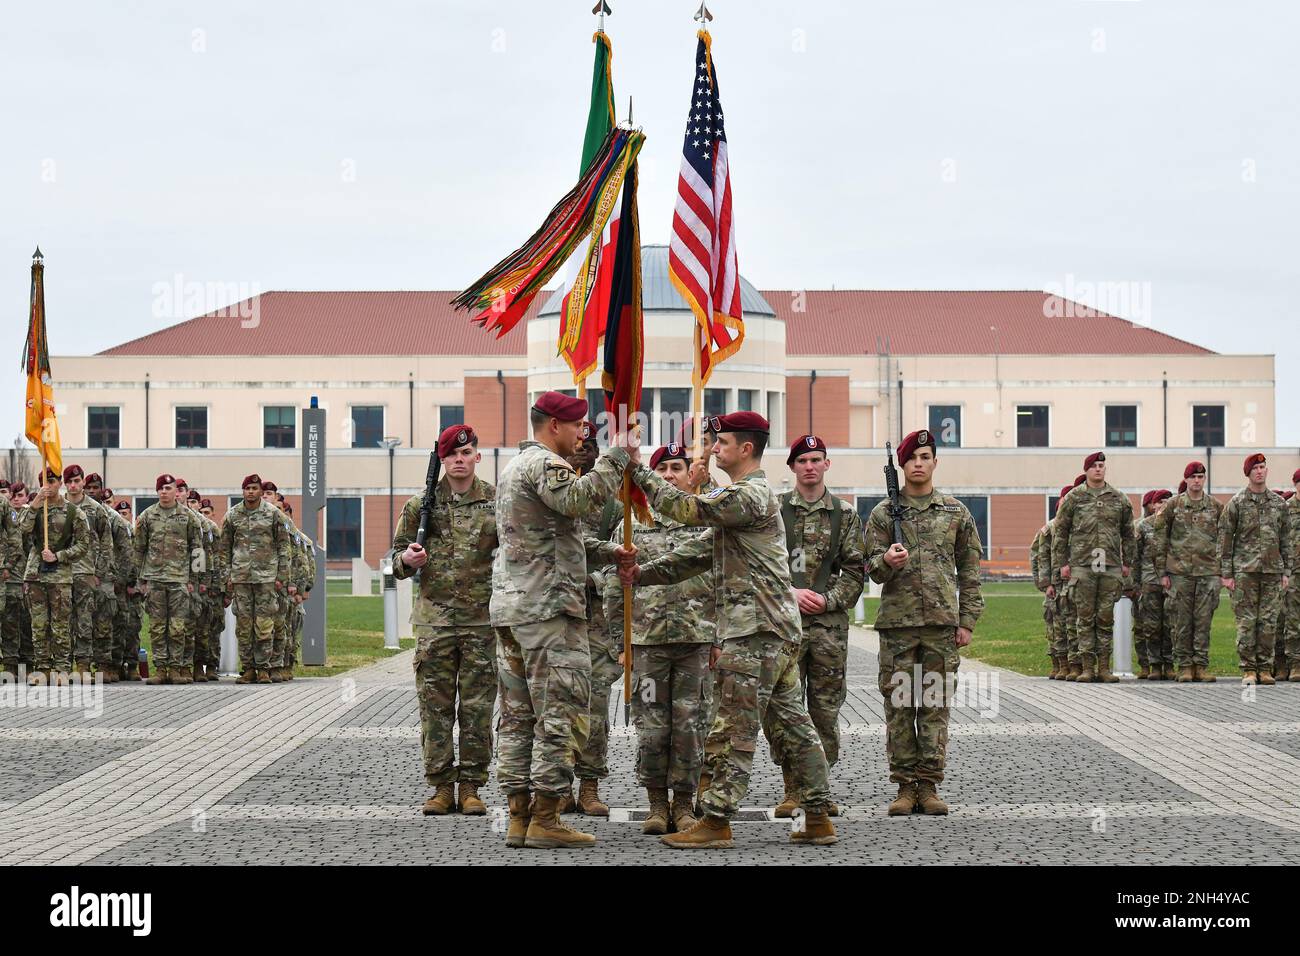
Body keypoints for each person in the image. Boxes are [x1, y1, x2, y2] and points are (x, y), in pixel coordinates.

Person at [616, 411, 838, 849]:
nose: (714, 450)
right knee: (793, 724)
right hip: (769, 630)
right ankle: (817, 816)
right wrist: (640, 574)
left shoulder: (750, 495)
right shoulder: (737, 500)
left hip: (755, 631)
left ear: (746, 449)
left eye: (722, 443)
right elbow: (697, 555)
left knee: (733, 728)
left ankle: (716, 819)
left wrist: (634, 467)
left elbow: (685, 507)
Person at [491, 391, 636, 849]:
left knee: (517, 716)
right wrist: (616, 458)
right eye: (577, 427)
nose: (582, 435)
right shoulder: (546, 465)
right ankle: (547, 817)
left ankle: (518, 816)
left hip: (517, 610)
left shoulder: (515, 467)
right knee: (560, 714)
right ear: (555, 425)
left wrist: (612, 551)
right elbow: (577, 502)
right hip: (549, 611)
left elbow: (557, 534)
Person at [864, 429, 984, 815]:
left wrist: (966, 621)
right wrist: (886, 561)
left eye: (926, 456)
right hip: (898, 627)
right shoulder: (884, 514)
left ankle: (929, 785)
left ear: (935, 462)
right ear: (902, 464)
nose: (919, 463)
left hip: (940, 625)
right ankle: (904, 786)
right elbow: (868, 569)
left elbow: (970, 571)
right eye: (912, 457)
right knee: (900, 705)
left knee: (934, 704)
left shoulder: (955, 513)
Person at [602, 442, 715, 834]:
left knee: (690, 726)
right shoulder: (633, 522)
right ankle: (655, 805)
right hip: (647, 645)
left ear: (689, 474)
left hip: (695, 643)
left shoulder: (706, 521)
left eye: (676, 468)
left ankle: (684, 805)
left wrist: (719, 639)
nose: (669, 475)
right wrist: (621, 643)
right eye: (661, 468)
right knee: (652, 729)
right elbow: (615, 586)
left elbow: (724, 582)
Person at [393, 424, 499, 817]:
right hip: (434, 624)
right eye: (451, 454)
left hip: (481, 623)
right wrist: (407, 560)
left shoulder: (497, 501)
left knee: (476, 709)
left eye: (465, 452)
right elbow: (395, 560)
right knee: (434, 709)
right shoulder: (421, 504)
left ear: (477, 456)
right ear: (442, 459)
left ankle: (471, 785)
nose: (459, 459)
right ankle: (440, 787)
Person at [769, 434, 864, 817]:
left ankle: (818, 790)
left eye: (816, 459)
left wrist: (829, 599)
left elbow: (856, 570)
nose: (810, 466)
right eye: (802, 460)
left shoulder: (845, 514)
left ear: (827, 465)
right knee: (785, 709)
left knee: (824, 709)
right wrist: (790, 591)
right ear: (792, 467)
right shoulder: (775, 511)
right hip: (785, 626)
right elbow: (762, 564)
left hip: (828, 629)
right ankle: (792, 787)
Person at [561, 421, 625, 817]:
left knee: (595, 707)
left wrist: (593, 577)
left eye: (589, 446)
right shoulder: (553, 498)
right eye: (576, 445)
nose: (581, 452)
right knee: (557, 707)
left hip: (597, 623)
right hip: (559, 618)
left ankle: (589, 785)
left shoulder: (615, 509)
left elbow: (622, 560)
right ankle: (557, 785)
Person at [1051, 452, 1134, 683]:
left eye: (1102, 466)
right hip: (1082, 566)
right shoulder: (1074, 498)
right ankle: (1087, 667)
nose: (1099, 469)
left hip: (1109, 567)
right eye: (1094, 466)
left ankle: (1104, 668)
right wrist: (1062, 564)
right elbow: (1060, 532)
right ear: (1086, 470)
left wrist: (1127, 562)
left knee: (1106, 617)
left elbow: (1128, 533)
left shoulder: (1118, 498)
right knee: (1085, 618)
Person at [1217, 453, 1291, 685]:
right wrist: (1227, 574)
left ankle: (1264, 668)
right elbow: (1225, 540)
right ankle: (1248, 668)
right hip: (1244, 572)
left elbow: (1286, 540)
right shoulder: (1237, 503)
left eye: (1263, 467)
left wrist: (1286, 572)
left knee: (1268, 622)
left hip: (1271, 572)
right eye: (1255, 468)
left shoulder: (1279, 505)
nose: (1260, 471)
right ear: (1248, 473)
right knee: (1247, 622)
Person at [1149, 462, 1222, 683]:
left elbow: (1225, 538)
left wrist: (1221, 571)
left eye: (1201, 476)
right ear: (1187, 480)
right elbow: (1159, 539)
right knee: (1181, 621)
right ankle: (1184, 667)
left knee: (1203, 621)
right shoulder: (1173, 505)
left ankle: (1200, 665)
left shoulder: (1216, 507)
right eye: (1193, 477)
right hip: (1179, 573)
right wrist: (1162, 572)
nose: (1197, 481)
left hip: (1207, 573)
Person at [19, 469, 90, 685]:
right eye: (43, 482)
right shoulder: (34, 508)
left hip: (60, 577)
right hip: (36, 575)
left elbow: (83, 545)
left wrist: (59, 556)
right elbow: (22, 528)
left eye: (51, 481)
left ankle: (61, 669)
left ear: (60, 483)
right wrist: (36, 502)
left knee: (60, 625)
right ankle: (42, 668)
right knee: (38, 625)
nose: (47, 485)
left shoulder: (73, 512)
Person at [221, 473, 292, 684]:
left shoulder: (273, 514)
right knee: (244, 626)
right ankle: (249, 668)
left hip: (266, 578)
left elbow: (283, 546)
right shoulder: (233, 515)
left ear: (261, 491)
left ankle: (263, 668)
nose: (251, 492)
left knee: (264, 624)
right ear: (243, 491)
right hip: (241, 578)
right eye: (247, 488)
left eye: (254, 488)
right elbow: (224, 548)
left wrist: (282, 575)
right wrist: (227, 576)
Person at [134, 474, 202, 685]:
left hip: (179, 580)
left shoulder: (188, 517)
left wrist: (195, 579)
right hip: (154, 579)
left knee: (177, 627)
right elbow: (138, 549)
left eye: (168, 488)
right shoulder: (147, 516)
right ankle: (161, 669)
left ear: (175, 491)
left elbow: (197, 549)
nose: (164, 492)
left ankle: (176, 669)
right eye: (160, 489)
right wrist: (140, 580)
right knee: (156, 627)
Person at [1133, 490, 1174, 679]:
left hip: (1171, 582)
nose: (1164, 505)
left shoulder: (1175, 526)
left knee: (1169, 625)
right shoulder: (1143, 526)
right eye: (1161, 502)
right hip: (1149, 581)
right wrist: (1135, 584)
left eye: (1168, 502)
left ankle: (1169, 663)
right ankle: (1155, 664)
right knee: (1151, 626)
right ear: (1154, 505)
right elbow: (1135, 557)